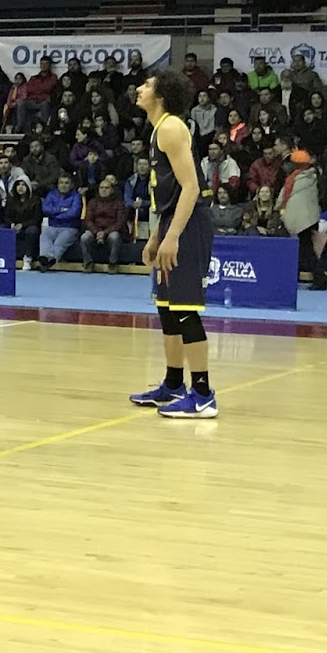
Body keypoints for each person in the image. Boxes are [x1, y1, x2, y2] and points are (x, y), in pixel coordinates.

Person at [129, 68, 217, 418]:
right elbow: (166, 193)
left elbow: (192, 188)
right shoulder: (158, 129)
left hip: (189, 224)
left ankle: (203, 394)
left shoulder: (170, 127)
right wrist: (156, 235)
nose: (139, 88)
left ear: (161, 94)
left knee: (185, 311)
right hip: (171, 221)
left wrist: (174, 236)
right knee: (166, 309)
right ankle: (173, 384)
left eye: (147, 85)